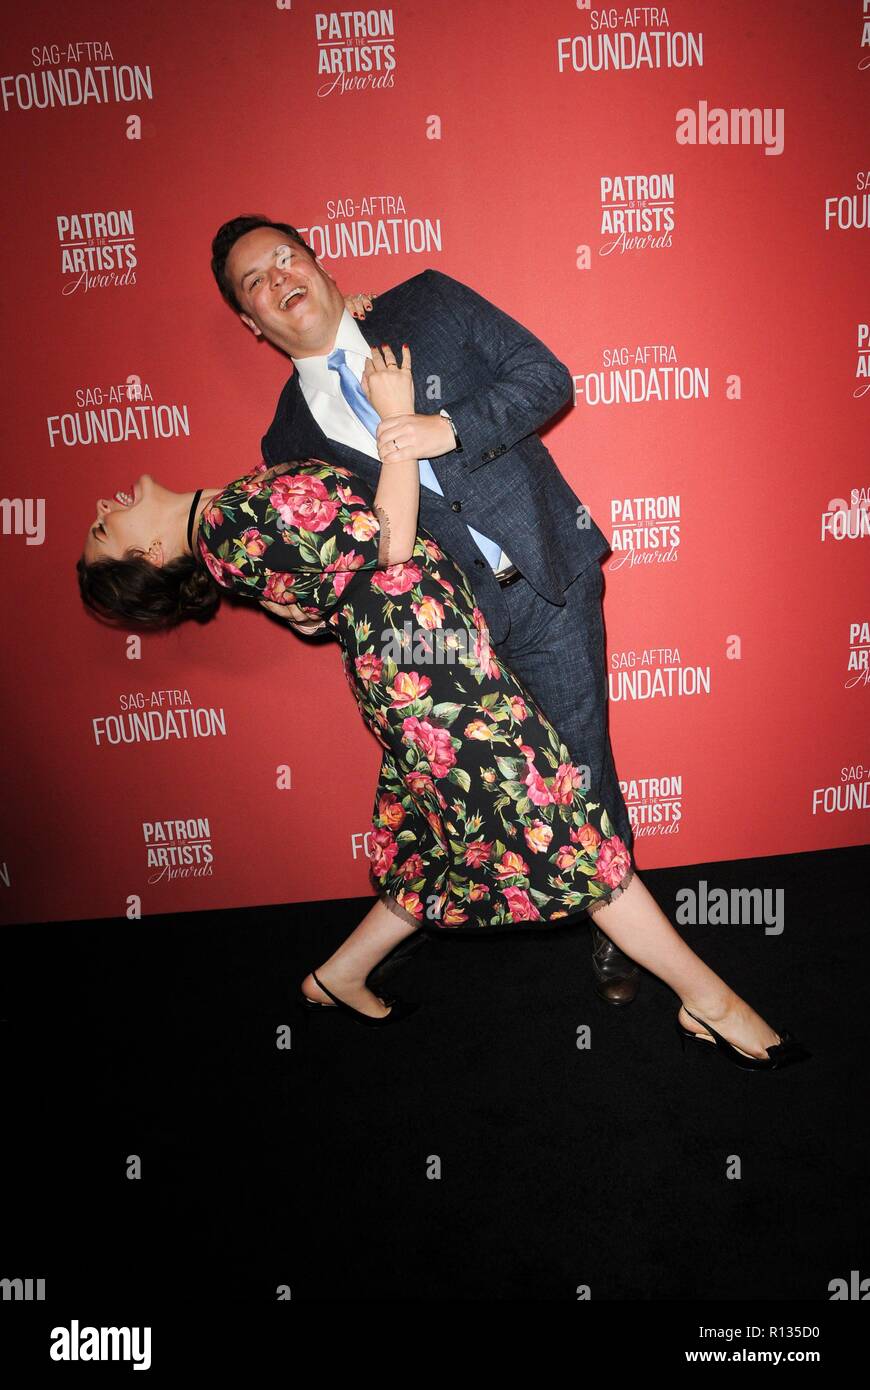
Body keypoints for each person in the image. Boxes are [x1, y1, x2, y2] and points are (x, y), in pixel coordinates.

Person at [76, 343, 810, 1072]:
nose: (106, 508)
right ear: (146, 556)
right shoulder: (228, 525)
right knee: (564, 834)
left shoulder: (226, 523)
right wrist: (397, 418)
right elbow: (389, 543)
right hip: (433, 682)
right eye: (106, 529)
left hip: (426, 670)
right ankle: (709, 1001)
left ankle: (339, 976)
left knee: (434, 849)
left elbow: (333, 576)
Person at [208, 215, 640, 1008]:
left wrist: (446, 428)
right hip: (445, 640)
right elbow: (343, 556)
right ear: (249, 320)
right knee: (450, 797)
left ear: (316, 260)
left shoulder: (426, 304)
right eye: (254, 281)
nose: (278, 280)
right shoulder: (286, 440)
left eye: (284, 258)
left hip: (547, 573)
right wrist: (308, 605)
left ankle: (614, 928)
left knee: (582, 764)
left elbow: (547, 378)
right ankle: (428, 921)